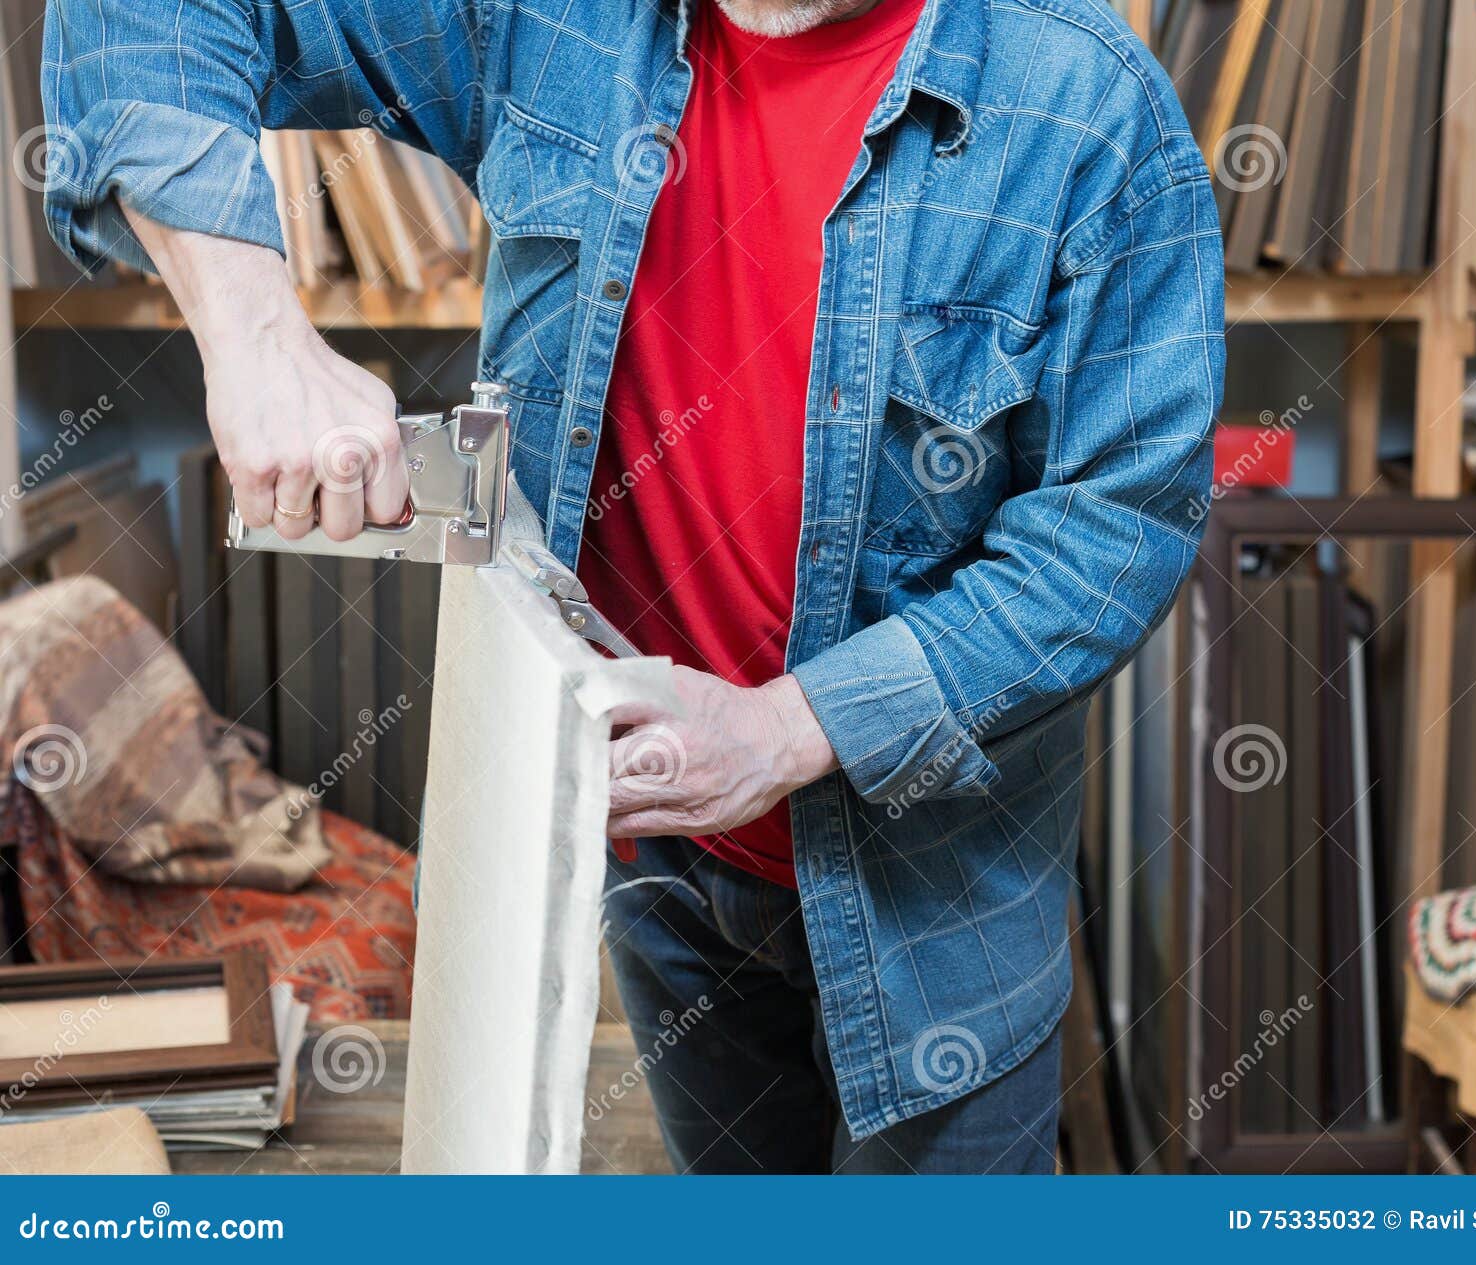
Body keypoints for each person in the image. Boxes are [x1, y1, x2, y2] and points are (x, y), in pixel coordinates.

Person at [43, 0, 1224, 1172]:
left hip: (936, 919)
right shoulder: (540, 24)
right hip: (665, 886)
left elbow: (1112, 529)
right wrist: (253, 336)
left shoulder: (1086, 105)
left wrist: (784, 727)